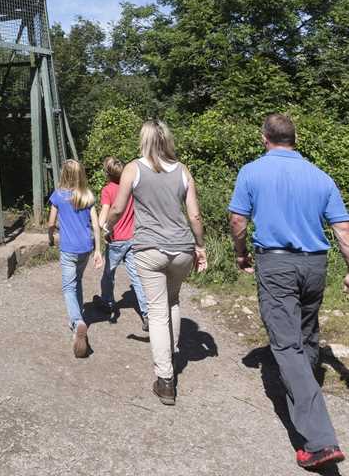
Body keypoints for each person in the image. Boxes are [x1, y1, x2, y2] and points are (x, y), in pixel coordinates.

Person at [229, 113, 349, 472]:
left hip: (277, 264)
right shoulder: (319, 176)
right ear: (293, 139)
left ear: (265, 137)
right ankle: (304, 394)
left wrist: (240, 252)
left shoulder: (252, 171)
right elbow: (342, 229)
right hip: (315, 265)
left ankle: (319, 441)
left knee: (286, 344)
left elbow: (237, 220)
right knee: (308, 333)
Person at [106, 120, 207, 406]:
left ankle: (165, 380)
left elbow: (117, 207)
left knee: (158, 310)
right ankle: (171, 352)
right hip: (182, 249)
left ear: (144, 140)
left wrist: (106, 228)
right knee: (173, 302)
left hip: (149, 249)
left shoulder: (133, 169)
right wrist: (200, 247)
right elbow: (195, 217)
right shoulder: (183, 170)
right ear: (167, 140)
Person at [47, 159, 104, 358]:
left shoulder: (58, 196)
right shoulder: (87, 195)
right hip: (85, 249)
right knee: (77, 280)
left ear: (64, 174)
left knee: (68, 286)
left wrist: (50, 237)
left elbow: (51, 222)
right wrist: (98, 250)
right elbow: (96, 225)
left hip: (69, 249)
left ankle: (77, 321)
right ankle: (78, 315)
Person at [94, 156, 149, 331]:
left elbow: (104, 212)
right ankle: (147, 313)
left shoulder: (108, 190)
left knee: (108, 273)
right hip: (133, 239)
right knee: (136, 277)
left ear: (107, 173)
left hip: (116, 241)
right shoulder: (132, 188)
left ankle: (108, 302)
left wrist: (102, 227)